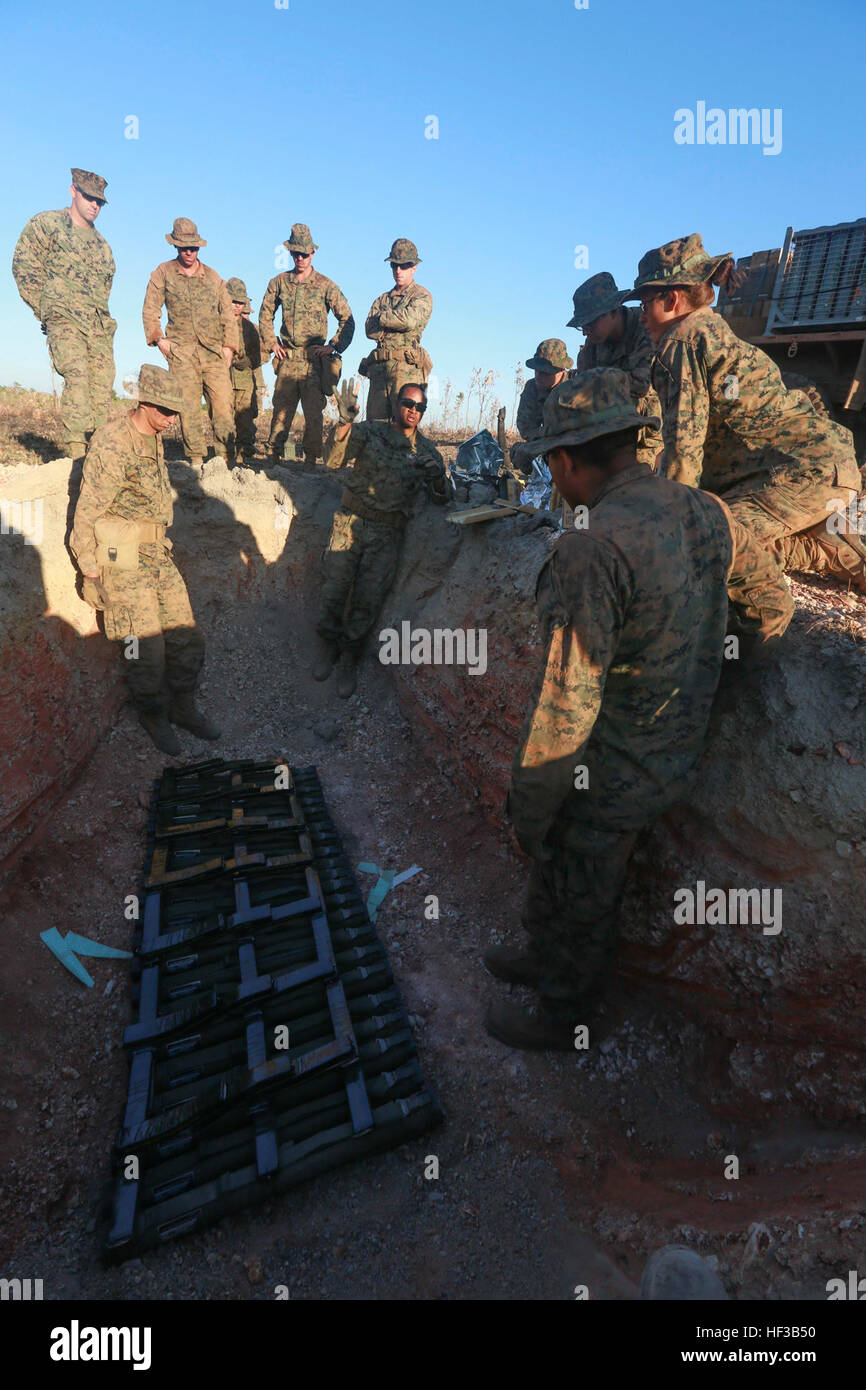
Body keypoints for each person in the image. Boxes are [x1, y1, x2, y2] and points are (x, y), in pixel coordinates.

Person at [484, 369, 793, 1050]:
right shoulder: (707, 509)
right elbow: (773, 607)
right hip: (679, 748)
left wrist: (527, 809)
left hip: (614, 770)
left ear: (565, 461)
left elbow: (566, 704)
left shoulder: (591, 545)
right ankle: (541, 956)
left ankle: (565, 1014)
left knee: (581, 872)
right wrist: (709, 678)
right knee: (568, 866)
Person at [623, 234, 866, 586]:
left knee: (697, 545)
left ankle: (823, 548)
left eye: (645, 304)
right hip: (822, 471)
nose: (641, 316)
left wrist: (667, 529)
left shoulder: (682, 341)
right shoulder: (712, 331)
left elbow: (684, 451)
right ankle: (828, 534)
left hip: (803, 477)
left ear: (672, 299)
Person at [70, 364, 220, 756]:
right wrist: (89, 571)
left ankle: (183, 708)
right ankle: (153, 716)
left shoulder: (153, 435)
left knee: (188, 640)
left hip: (157, 555)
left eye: (176, 413)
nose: (172, 420)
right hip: (122, 564)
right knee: (142, 651)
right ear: (145, 402)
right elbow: (86, 512)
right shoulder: (113, 442)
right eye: (166, 412)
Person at [313, 379, 450, 697]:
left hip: (387, 535)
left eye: (420, 407)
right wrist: (345, 422)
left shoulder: (427, 451)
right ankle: (327, 647)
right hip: (349, 523)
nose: (413, 411)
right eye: (408, 404)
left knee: (367, 602)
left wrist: (438, 477)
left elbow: (442, 498)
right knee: (333, 590)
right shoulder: (370, 431)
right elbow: (332, 461)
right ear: (396, 403)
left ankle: (349, 658)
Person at [12, 168, 116, 462]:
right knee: (78, 375)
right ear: (74, 191)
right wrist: (45, 308)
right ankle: (76, 451)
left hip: (97, 325)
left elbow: (106, 286)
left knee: (103, 382)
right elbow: (24, 264)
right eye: (89, 198)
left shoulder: (102, 247)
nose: (95, 205)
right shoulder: (47, 225)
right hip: (63, 318)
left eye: (100, 202)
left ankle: (96, 452)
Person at [142, 218, 238, 469]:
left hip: (213, 353)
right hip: (181, 353)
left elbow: (227, 313)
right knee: (188, 409)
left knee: (223, 407)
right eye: (184, 248)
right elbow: (150, 307)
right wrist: (159, 339)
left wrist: (229, 347)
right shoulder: (162, 273)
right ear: (175, 247)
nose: (189, 252)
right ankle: (195, 460)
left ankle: (224, 460)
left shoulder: (213, 277)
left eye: (193, 248)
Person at [258, 224, 354, 465]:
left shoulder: (326, 285)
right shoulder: (279, 282)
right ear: (290, 254)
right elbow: (265, 314)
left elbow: (347, 319)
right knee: (281, 412)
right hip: (288, 359)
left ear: (313, 254)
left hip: (313, 362)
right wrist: (272, 343)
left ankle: (311, 462)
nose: (300, 258)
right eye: (295, 254)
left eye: (304, 254)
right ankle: (273, 458)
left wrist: (333, 346)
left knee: (313, 414)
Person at [569, 272, 660, 468]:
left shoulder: (645, 327)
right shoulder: (593, 343)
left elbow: (641, 385)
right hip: (606, 432)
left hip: (645, 432)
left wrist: (598, 382)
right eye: (582, 326)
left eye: (590, 322)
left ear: (613, 311)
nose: (585, 330)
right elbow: (582, 387)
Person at [361, 239, 432, 420]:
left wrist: (383, 318)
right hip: (379, 372)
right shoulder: (382, 299)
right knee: (375, 430)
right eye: (394, 266)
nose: (398, 271)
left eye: (404, 266)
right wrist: (394, 320)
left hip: (406, 372)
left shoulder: (421, 295)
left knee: (402, 431)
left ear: (414, 267)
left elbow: (409, 321)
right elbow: (370, 329)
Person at [225, 277, 269, 464]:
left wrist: (248, 360)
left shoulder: (252, 329)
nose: (237, 306)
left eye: (240, 303)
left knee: (245, 421)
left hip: (245, 382)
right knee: (223, 420)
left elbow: (265, 354)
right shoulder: (217, 323)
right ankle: (225, 456)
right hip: (223, 380)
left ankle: (244, 458)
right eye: (232, 301)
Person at [515, 339, 574, 441]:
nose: (538, 375)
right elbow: (526, 429)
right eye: (536, 369)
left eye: (545, 372)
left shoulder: (577, 384)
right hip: (545, 443)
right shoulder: (532, 387)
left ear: (561, 370)